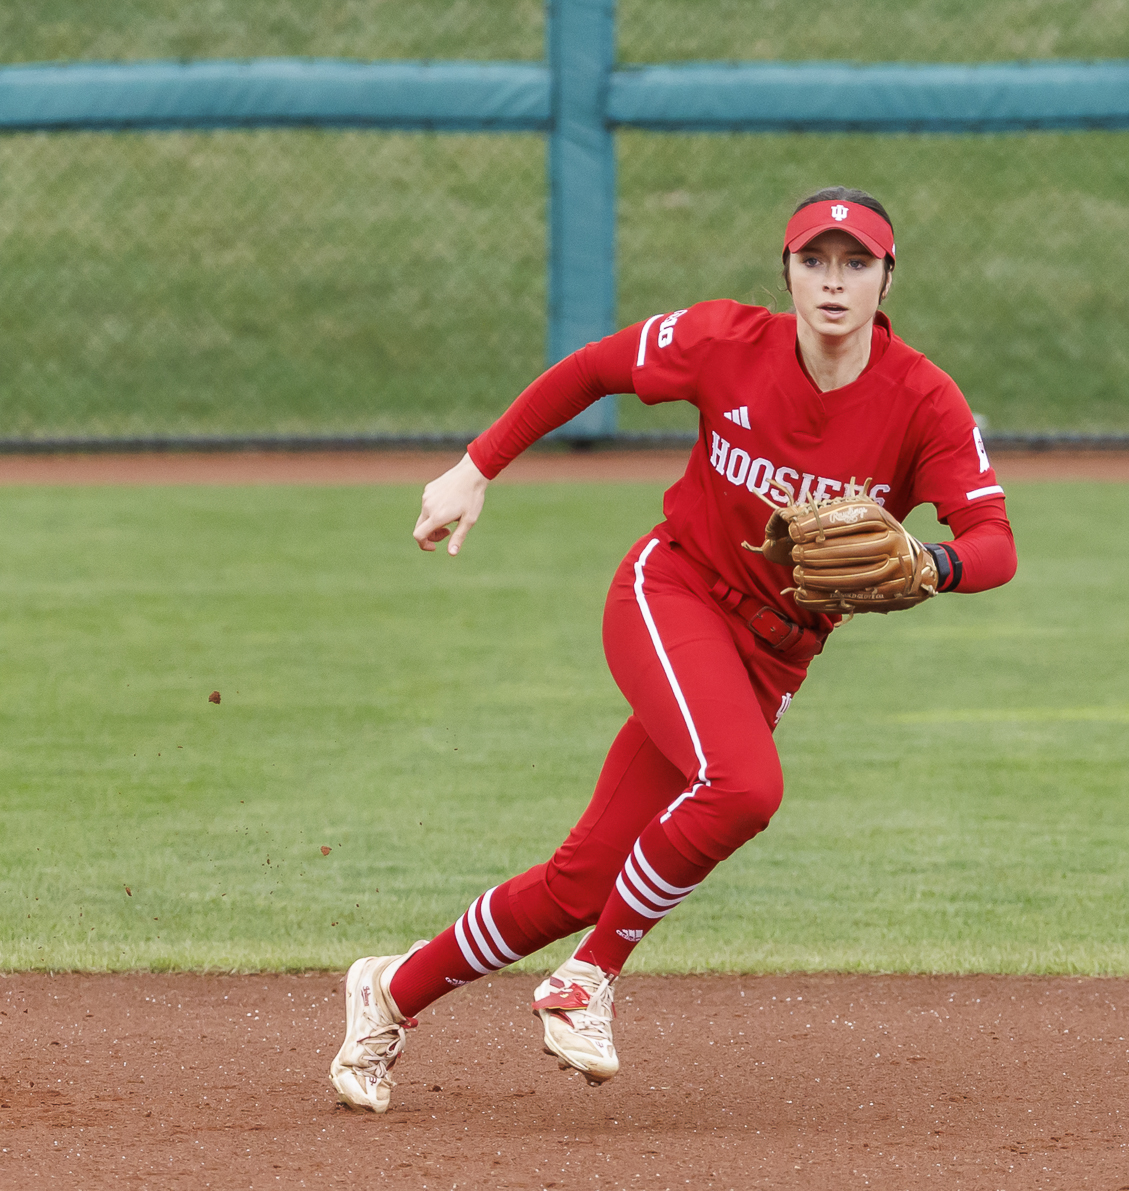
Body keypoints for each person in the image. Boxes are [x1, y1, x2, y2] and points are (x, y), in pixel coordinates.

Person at [329, 186, 1017, 1113]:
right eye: (814, 261)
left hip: (776, 653)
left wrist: (932, 561)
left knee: (581, 882)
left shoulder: (923, 400)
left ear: (889, 278)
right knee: (745, 788)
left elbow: (994, 542)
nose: (833, 281)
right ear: (786, 271)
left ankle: (389, 993)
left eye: (857, 264)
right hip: (673, 592)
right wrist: (476, 466)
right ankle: (588, 980)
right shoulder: (724, 341)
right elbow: (591, 370)